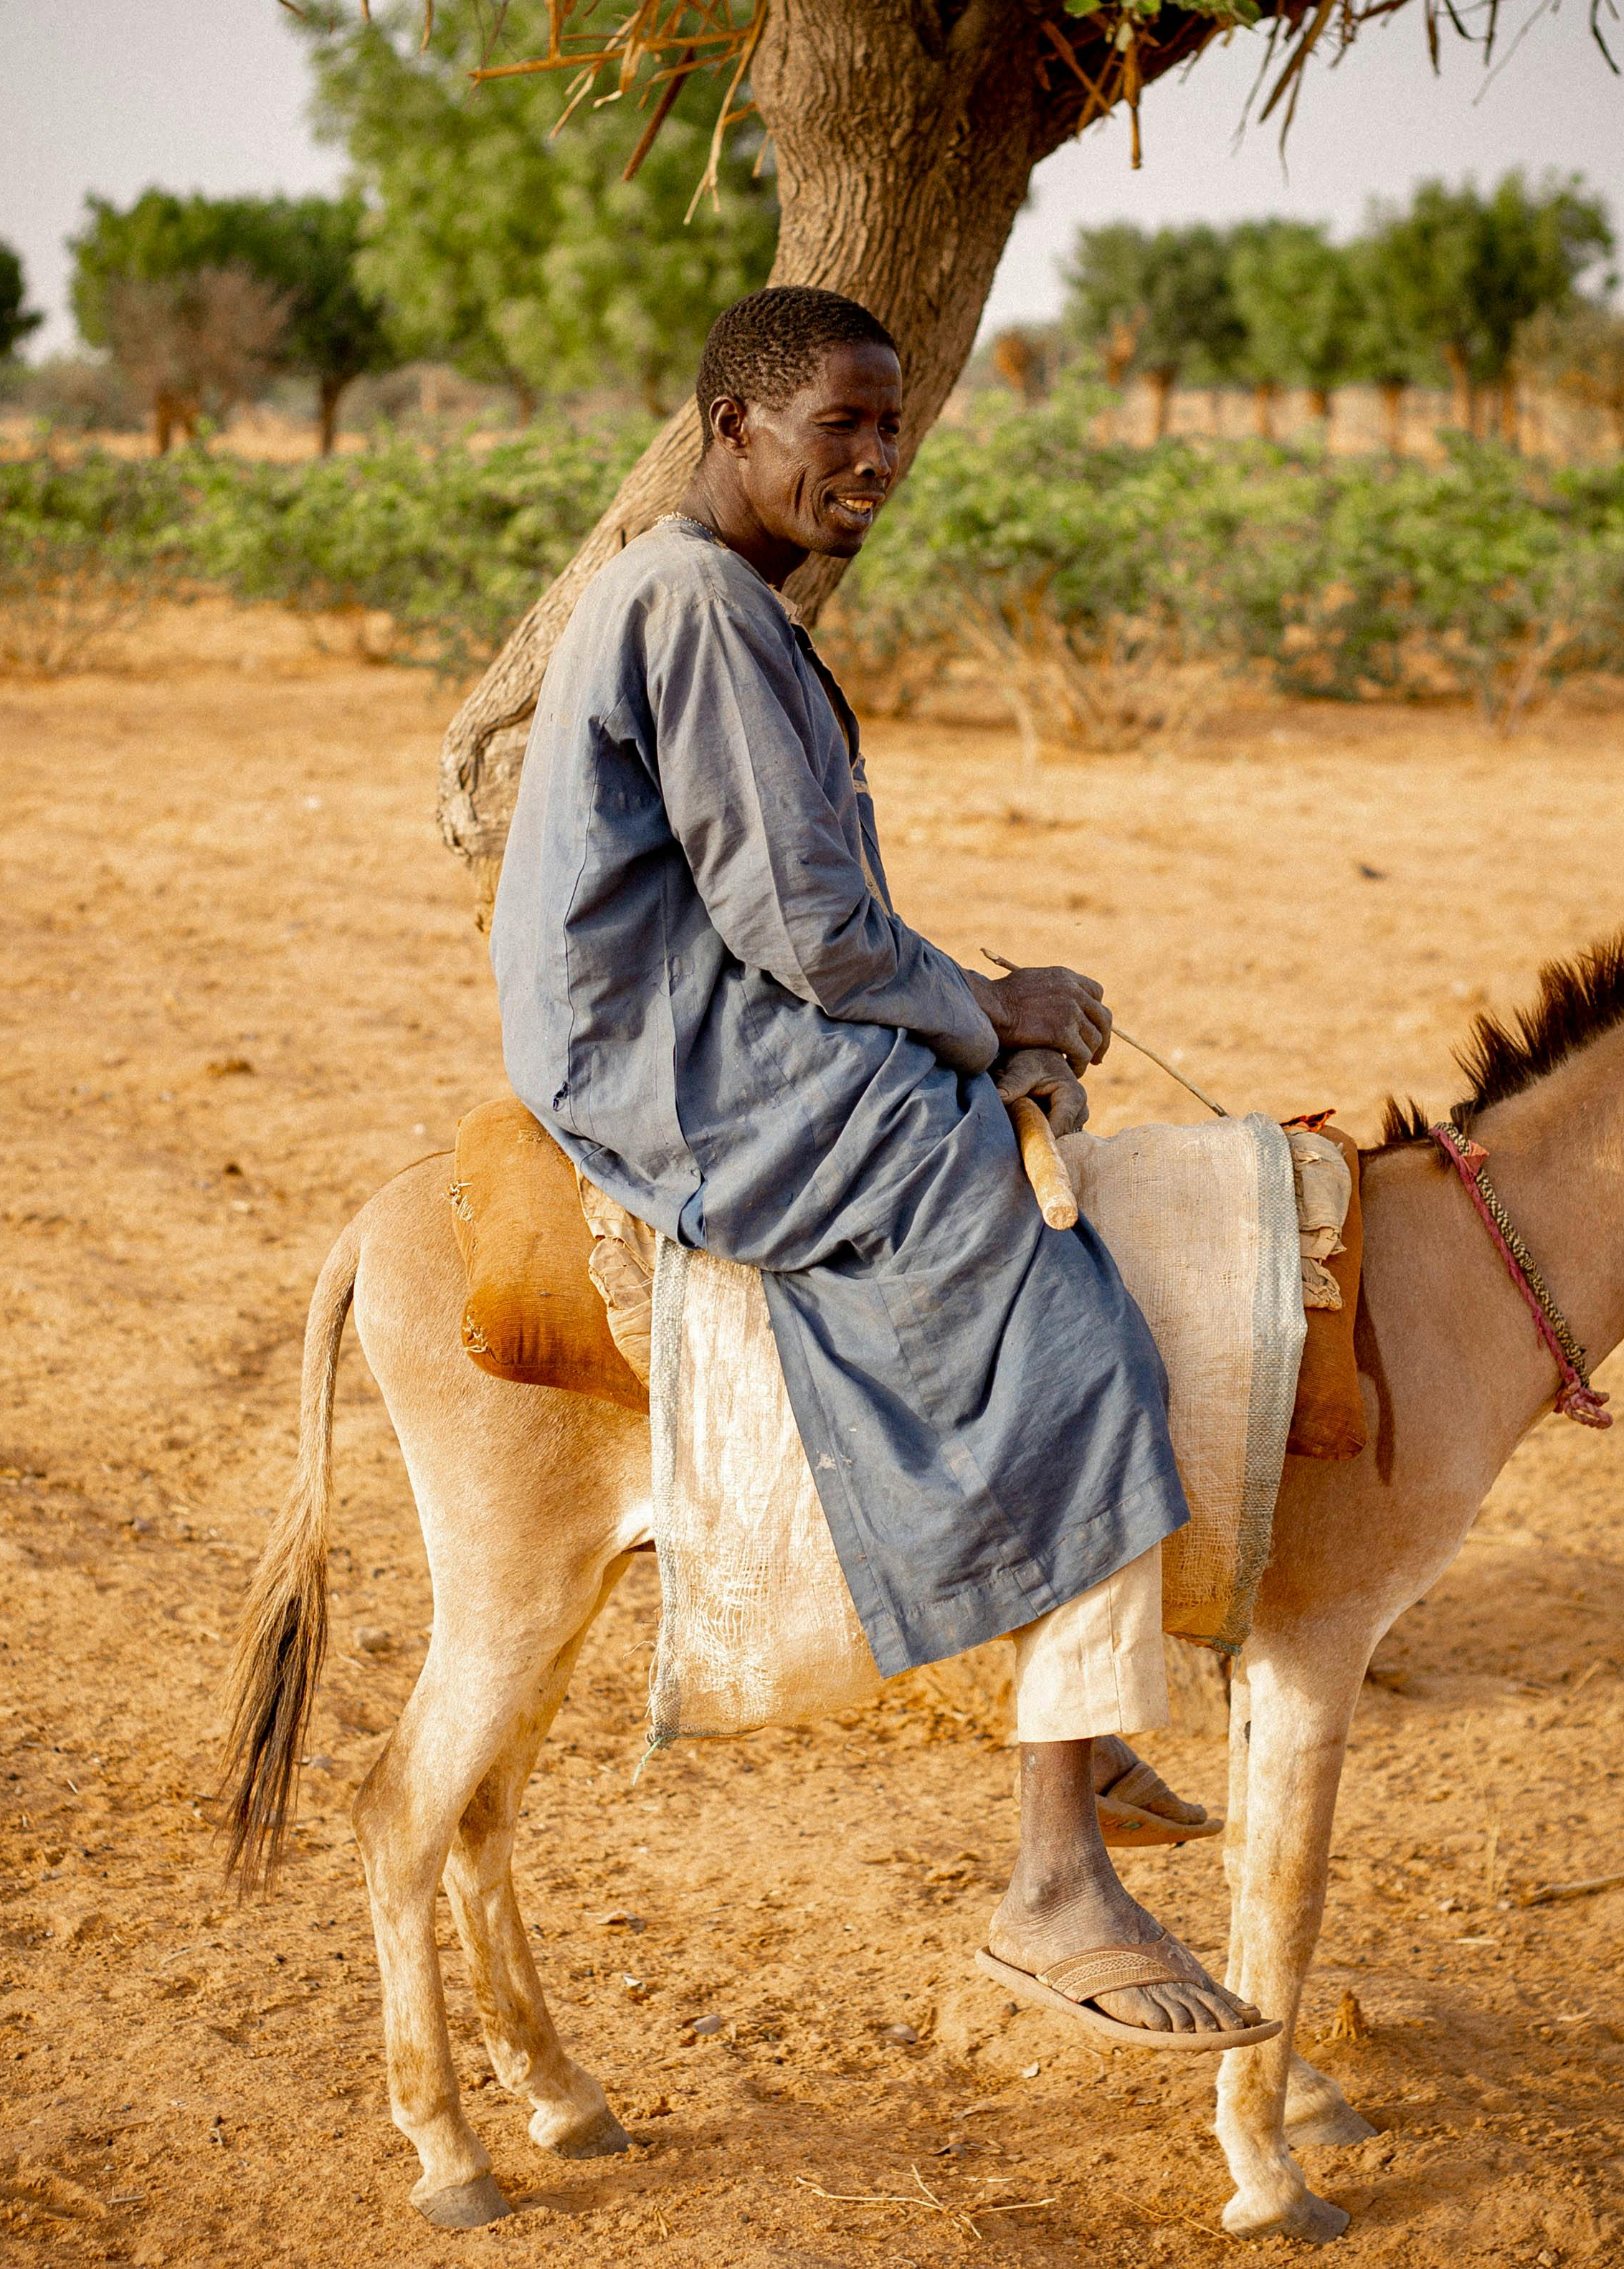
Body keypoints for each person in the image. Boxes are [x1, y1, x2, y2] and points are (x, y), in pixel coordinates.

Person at [490, 286, 1266, 2046]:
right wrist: (988, 1009)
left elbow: (802, 911)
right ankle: (1055, 1882)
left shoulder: (710, 596)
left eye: (891, 424)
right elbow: (810, 928)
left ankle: (1078, 1692)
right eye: (838, 423)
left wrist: (988, 1014)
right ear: (732, 429)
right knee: (1064, 1327)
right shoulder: (700, 604)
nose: (878, 457)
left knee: (1025, 1103)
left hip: (701, 1018)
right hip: (687, 1065)